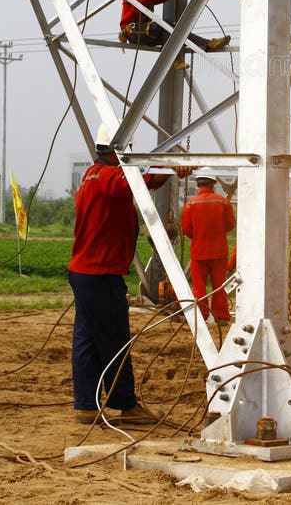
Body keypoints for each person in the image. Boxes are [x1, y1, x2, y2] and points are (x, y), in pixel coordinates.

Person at [68, 124, 193, 425]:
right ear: (119, 149)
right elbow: (140, 180)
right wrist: (169, 169)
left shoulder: (90, 175)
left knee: (86, 339)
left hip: (83, 272)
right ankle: (126, 404)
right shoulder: (112, 177)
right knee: (116, 340)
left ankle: (86, 404)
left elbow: (140, 180)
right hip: (100, 275)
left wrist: (165, 171)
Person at [119, 0, 230, 68]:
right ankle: (174, 58)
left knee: (175, 32)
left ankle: (207, 44)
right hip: (133, 32)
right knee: (166, 24)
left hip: (145, 33)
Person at [180, 168, 235, 325]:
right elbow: (230, 225)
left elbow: (186, 230)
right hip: (219, 252)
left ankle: (201, 317)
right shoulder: (223, 202)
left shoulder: (190, 205)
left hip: (199, 252)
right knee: (219, 285)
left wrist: (199, 235)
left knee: (199, 287)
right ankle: (221, 317)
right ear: (213, 183)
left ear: (198, 184)